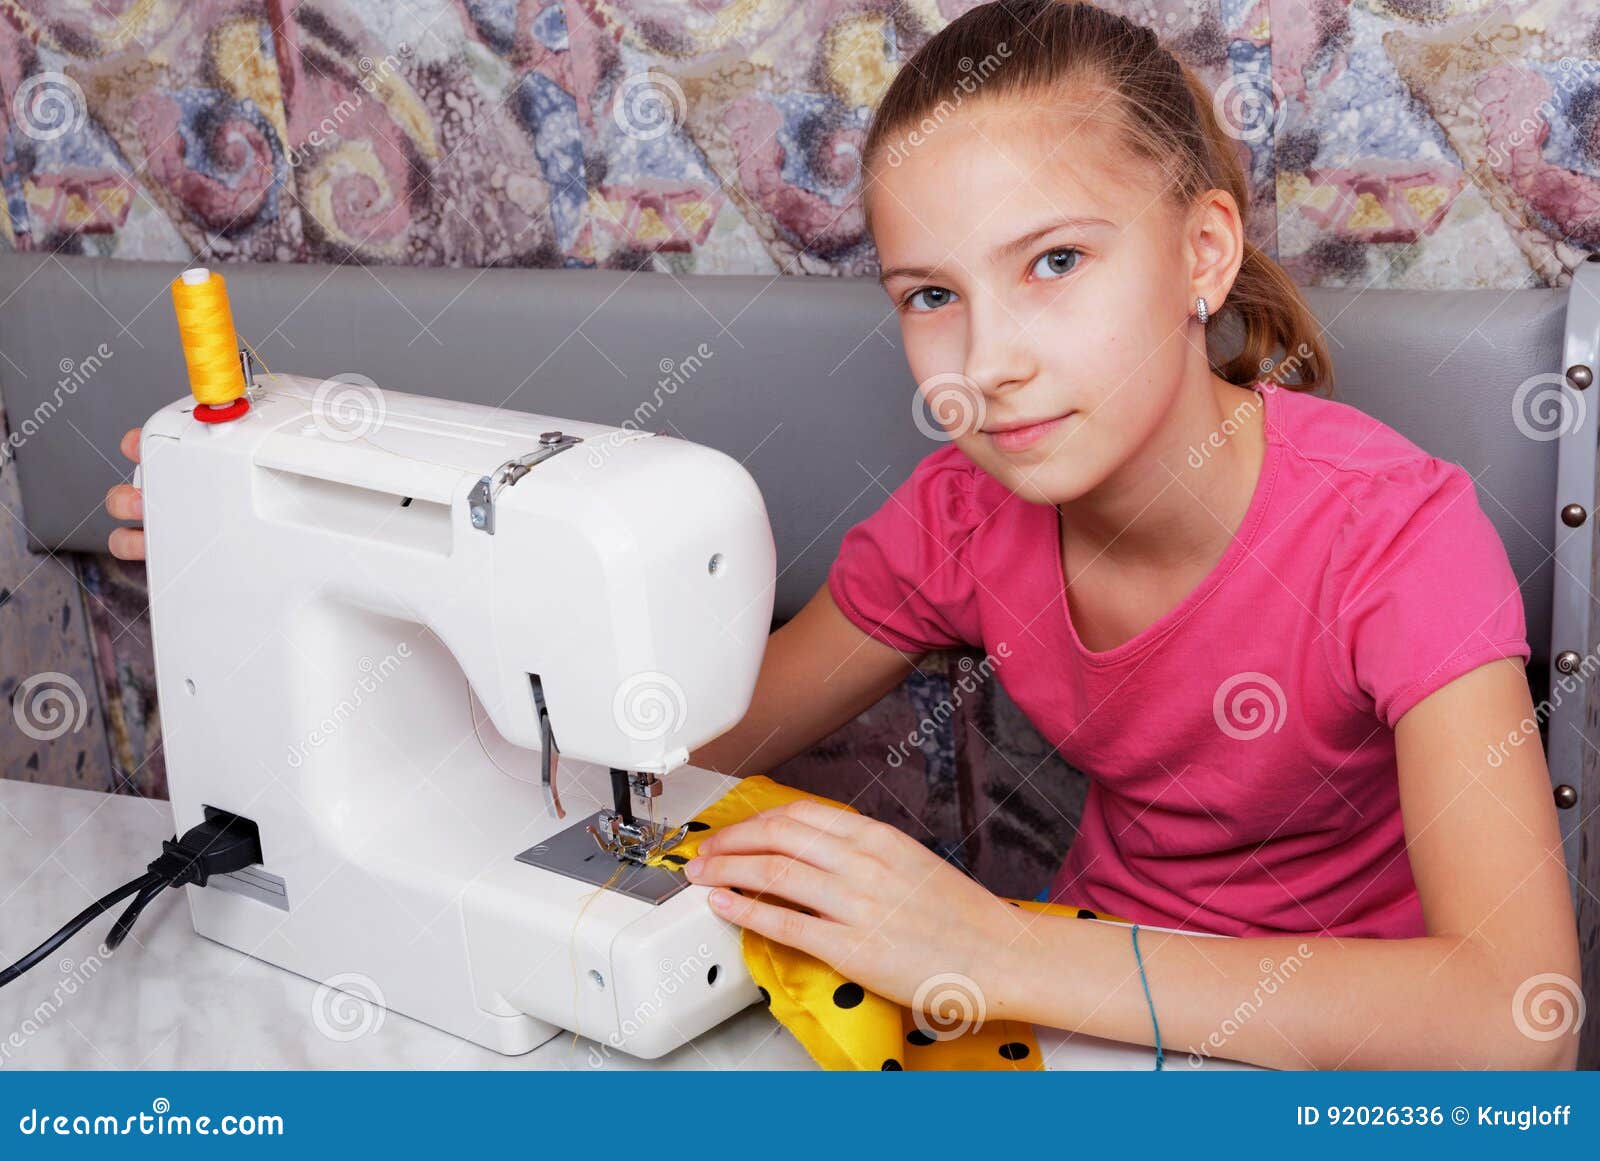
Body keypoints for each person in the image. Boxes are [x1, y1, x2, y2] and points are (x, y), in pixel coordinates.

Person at [109, 0, 1580, 1069]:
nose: (983, 358)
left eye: (1055, 262)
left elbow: (1520, 1017)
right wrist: (278, 538)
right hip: (1087, 1019)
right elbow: (694, 737)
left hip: (1363, 1058)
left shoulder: (1397, 539)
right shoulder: (964, 514)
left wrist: (998, 948)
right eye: (929, 294)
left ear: (1202, 255)